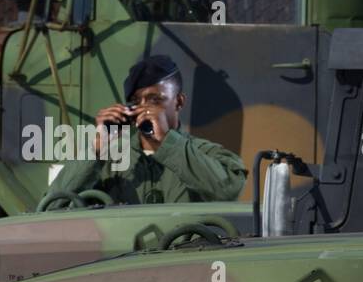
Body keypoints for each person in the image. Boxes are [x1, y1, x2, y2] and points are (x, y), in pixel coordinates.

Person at [42, 54, 246, 206]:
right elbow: (51, 207)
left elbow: (228, 190)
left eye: (155, 100)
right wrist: (98, 148)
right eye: (135, 102)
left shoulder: (204, 153)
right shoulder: (109, 161)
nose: (144, 109)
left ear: (179, 101)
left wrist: (167, 141)